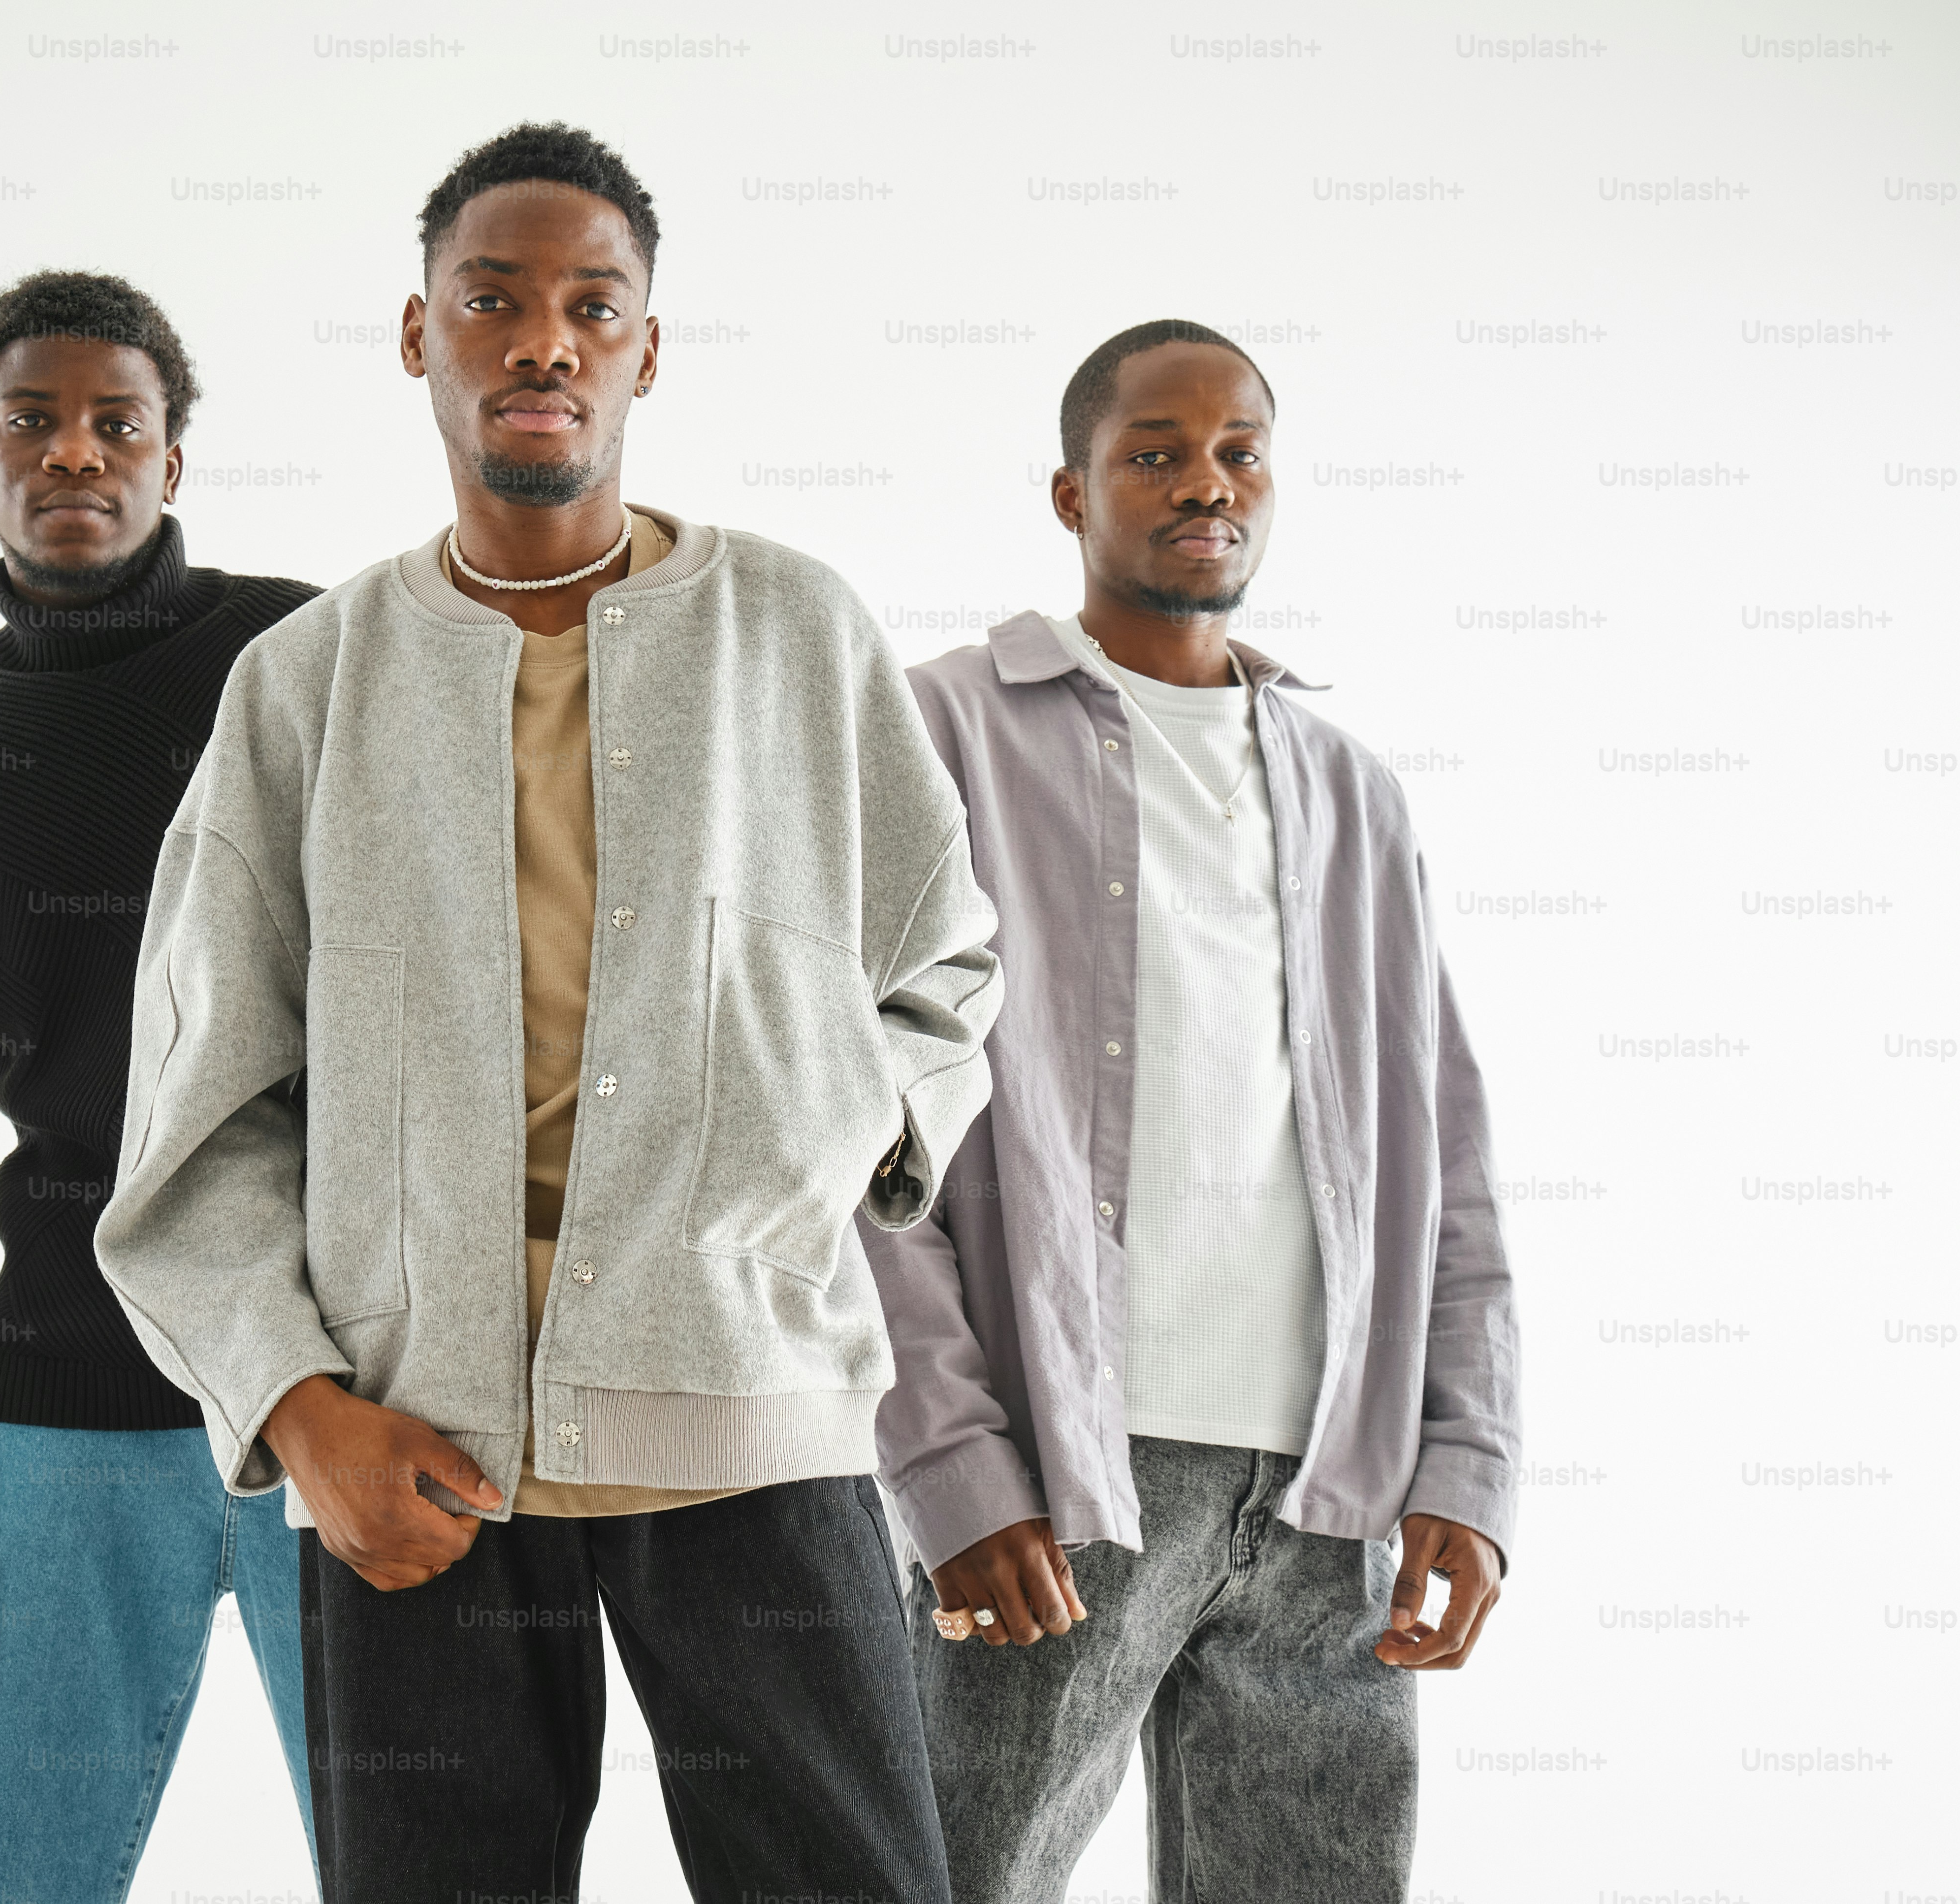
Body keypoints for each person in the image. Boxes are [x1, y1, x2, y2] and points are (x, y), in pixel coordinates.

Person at [92, 123, 999, 1902]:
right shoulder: (304, 686)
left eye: (594, 307)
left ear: (648, 350)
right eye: (492, 300)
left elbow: (946, 969)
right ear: (416, 333)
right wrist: (300, 1412)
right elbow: (199, 1110)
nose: (543, 344)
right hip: (413, 1454)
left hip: (752, 1416)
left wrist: (821, 1150)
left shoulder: (797, 633)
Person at [864, 319, 1521, 1902]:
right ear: (1071, 492)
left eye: (1239, 453)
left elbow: (1443, 1152)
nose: (1204, 483)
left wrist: (1467, 1461)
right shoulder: (939, 727)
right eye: (1154, 453)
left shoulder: (1350, 785)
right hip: (1062, 1474)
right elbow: (852, 1132)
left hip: (1330, 1487)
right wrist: (950, 1464)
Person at [0, 271, 319, 1901]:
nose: (74, 453)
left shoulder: (306, 659)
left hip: (344, 1390)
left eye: (117, 423)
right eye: (31, 420)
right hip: (62, 1414)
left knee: (440, 1865)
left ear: (174, 456)